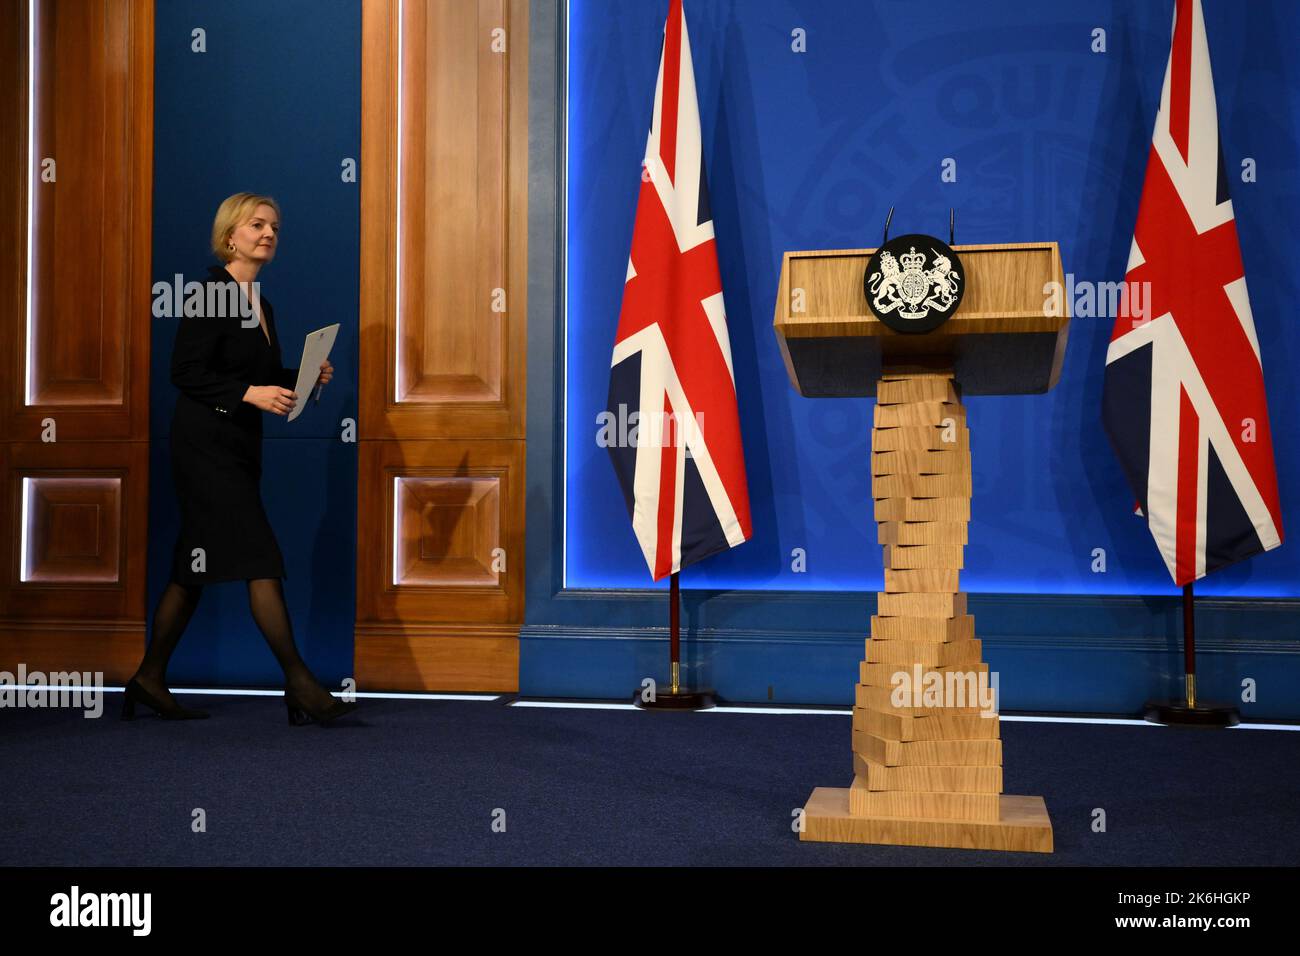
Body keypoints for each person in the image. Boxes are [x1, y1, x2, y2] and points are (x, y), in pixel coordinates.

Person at [123, 192, 356, 726]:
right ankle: (299, 683)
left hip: (237, 448)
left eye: (275, 226)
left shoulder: (261, 302)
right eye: (257, 225)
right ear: (231, 235)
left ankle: (148, 678)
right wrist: (248, 394)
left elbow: (257, 374)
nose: (269, 233)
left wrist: (303, 373)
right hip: (205, 448)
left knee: (192, 569)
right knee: (260, 558)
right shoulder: (210, 292)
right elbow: (185, 372)